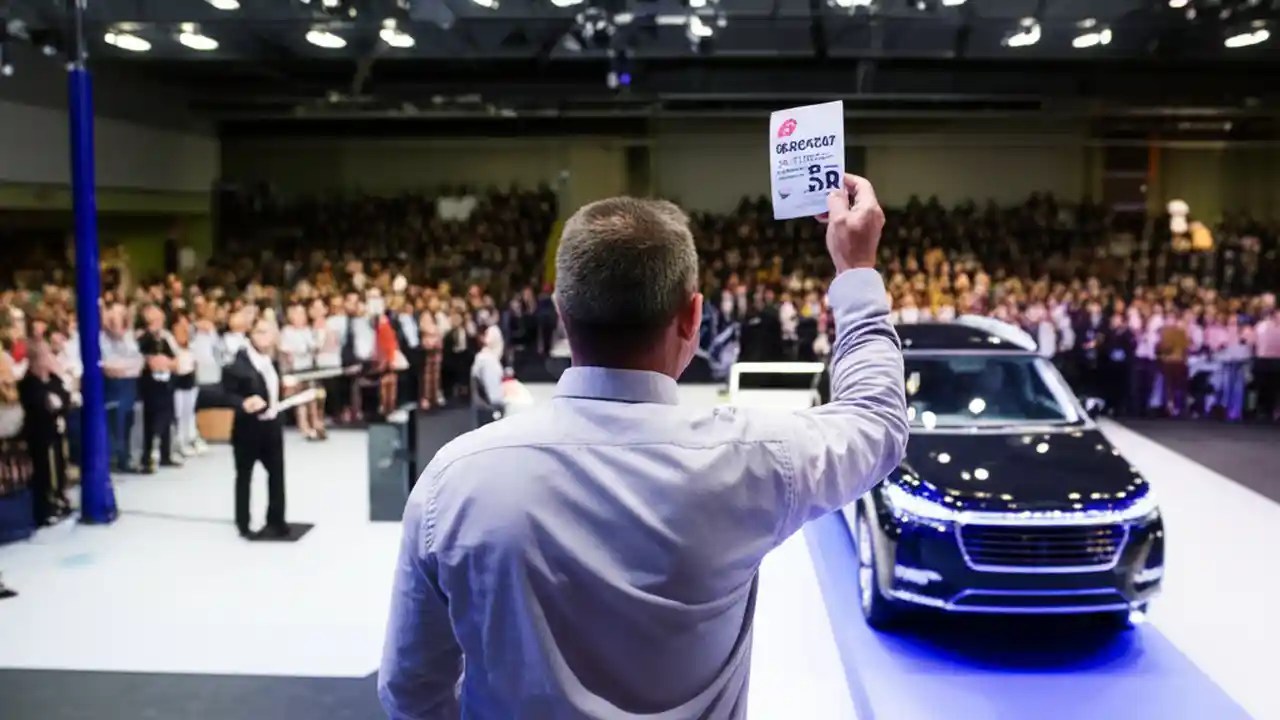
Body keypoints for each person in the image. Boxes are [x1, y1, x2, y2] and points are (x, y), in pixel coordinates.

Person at [379, 178, 908, 718]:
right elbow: (878, 423)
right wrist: (856, 270)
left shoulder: (456, 479)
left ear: (561, 314)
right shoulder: (756, 460)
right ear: (692, 317)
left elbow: (411, 689)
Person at [222, 317, 288, 539]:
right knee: (244, 476)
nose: (264, 337)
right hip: (247, 429)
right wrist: (242, 403)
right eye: (259, 332)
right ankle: (243, 523)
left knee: (277, 474)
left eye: (268, 332)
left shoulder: (272, 362)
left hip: (272, 426)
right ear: (250, 334)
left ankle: (276, 519)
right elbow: (225, 393)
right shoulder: (237, 365)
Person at [18, 341, 72, 525]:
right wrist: (53, 405)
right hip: (39, 433)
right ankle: (45, 507)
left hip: (56, 431)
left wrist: (58, 404)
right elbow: (42, 405)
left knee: (59, 465)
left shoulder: (54, 379)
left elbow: (64, 399)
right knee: (44, 471)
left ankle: (60, 497)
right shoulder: (28, 383)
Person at [100, 302, 143, 473]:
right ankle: (116, 458)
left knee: (129, 422)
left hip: (130, 384)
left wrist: (125, 368)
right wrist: (127, 368)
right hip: (114, 387)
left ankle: (127, 457)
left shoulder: (129, 336)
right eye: (114, 317)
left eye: (121, 316)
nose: (118, 320)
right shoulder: (101, 339)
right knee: (115, 422)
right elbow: (109, 369)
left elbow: (138, 362)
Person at [137, 304, 179, 473]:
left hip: (166, 380)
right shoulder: (143, 337)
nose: (160, 322)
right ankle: (148, 456)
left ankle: (166, 454)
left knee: (168, 415)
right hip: (150, 383)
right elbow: (145, 357)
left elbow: (175, 357)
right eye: (157, 320)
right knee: (152, 419)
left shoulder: (166, 337)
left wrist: (169, 363)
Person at [170, 312, 201, 458]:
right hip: (177, 384)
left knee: (189, 413)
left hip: (190, 382)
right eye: (180, 324)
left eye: (186, 324)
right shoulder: (171, 343)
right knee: (179, 414)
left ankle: (190, 439)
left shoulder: (192, 344)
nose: (184, 327)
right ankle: (178, 442)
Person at [469, 325, 505, 428]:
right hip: (489, 411)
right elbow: (494, 396)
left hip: (481, 408)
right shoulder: (489, 361)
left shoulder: (483, 357)